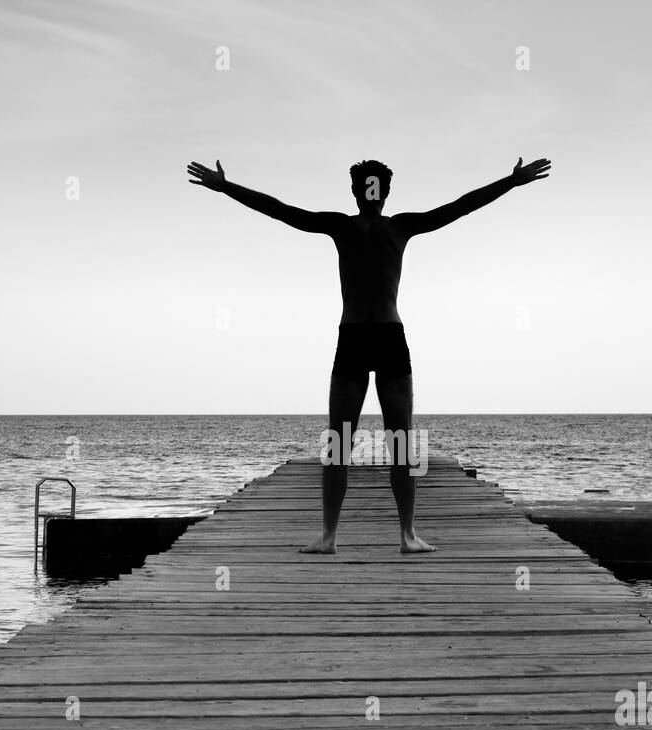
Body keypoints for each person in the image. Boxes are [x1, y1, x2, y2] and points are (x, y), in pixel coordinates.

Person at [186, 155, 552, 553]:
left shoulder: (377, 226)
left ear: (365, 190)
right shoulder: (367, 226)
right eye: (370, 185)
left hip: (374, 336)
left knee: (381, 441)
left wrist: (509, 182)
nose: (372, 191)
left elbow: (458, 207)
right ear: (368, 191)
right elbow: (282, 211)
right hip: (365, 337)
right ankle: (347, 536)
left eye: (372, 186)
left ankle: (394, 535)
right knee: (356, 442)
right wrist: (228, 188)